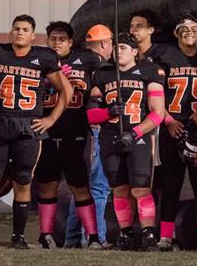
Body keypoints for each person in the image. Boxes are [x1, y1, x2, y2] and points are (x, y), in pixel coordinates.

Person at [0, 14, 72, 249]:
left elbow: (64, 91)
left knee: (23, 183)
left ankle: (18, 238)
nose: (20, 32)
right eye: (16, 28)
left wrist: (51, 119)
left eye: (25, 29)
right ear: (12, 31)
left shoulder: (44, 57)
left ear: (32, 35)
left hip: (28, 127)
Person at [87, 33, 167, 251]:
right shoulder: (103, 75)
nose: (119, 50)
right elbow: (91, 114)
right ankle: (125, 234)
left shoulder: (148, 72)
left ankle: (149, 234)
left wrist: (135, 133)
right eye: (116, 47)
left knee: (141, 189)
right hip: (110, 137)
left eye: (124, 47)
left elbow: (157, 113)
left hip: (138, 138)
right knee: (119, 190)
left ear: (134, 51)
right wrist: (107, 112)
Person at [156, 10, 197, 252]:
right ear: (176, 33)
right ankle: (165, 237)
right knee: (170, 183)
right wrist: (168, 120)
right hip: (172, 126)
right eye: (184, 30)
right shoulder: (164, 54)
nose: (189, 34)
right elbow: (155, 93)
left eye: (194, 30)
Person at [35, 21, 103, 249]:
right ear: (47, 40)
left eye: (62, 39)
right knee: (47, 184)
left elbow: (105, 77)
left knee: (80, 185)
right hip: (45, 131)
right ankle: (45, 235)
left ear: (71, 42)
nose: (57, 43)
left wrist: (97, 92)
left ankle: (93, 237)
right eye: (53, 38)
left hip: (75, 132)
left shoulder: (86, 60)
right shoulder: (39, 60)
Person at [64, 24, 114, 249]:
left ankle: (72, 238)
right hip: (94, 129)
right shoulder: (97, 64)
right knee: (99, 187)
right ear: (105, 44)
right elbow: (94, 106)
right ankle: (96, 237)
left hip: (76, 130)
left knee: (80, 189)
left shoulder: (75, 60)